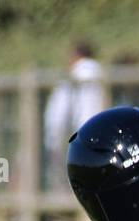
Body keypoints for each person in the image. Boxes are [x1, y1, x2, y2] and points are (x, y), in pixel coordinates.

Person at [43, 41, 104, 189]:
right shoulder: (102, 72)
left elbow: (59, 111)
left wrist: (52, 138)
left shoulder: (74, 74)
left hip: (78, 129)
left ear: (76, 55)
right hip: (101, 127)